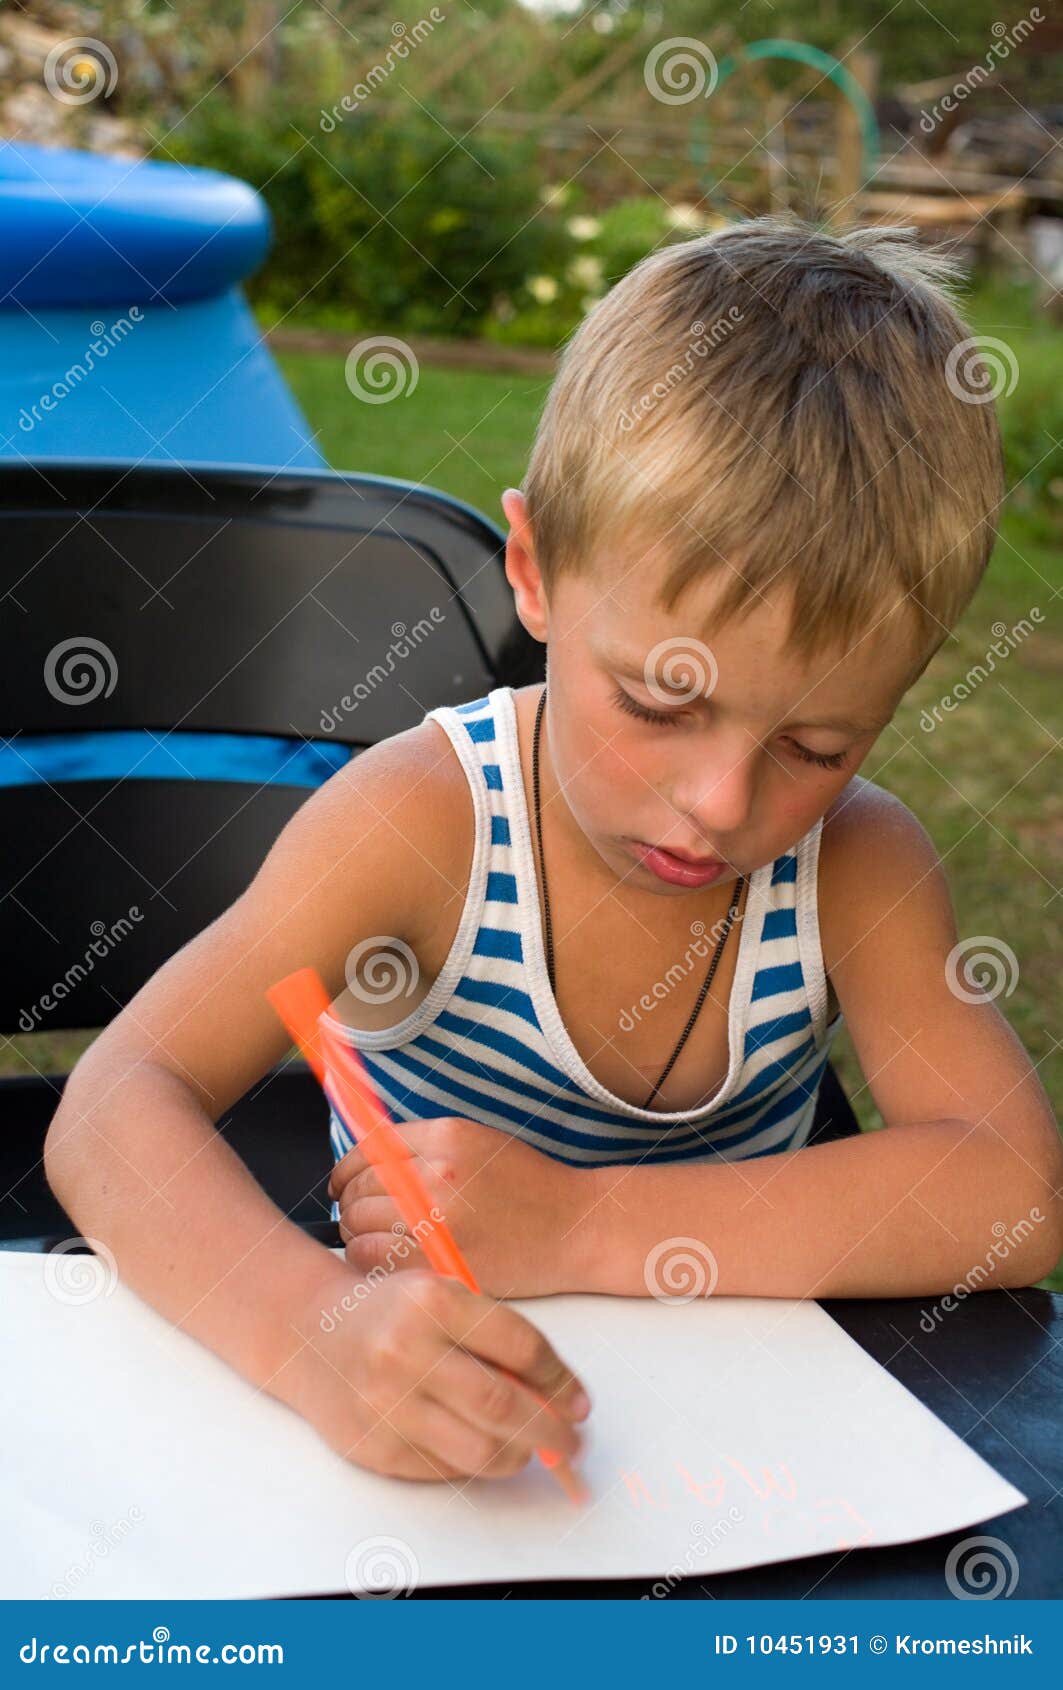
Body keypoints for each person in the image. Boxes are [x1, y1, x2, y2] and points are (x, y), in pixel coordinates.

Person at [45, 214, 1063, 1485]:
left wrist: (582, 1225)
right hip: (430, 1439)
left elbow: (1006, 1191)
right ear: (533, 569)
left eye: (816, 745)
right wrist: (309, 1334)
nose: (716, 803)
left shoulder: (858, 866)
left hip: (741, 1474)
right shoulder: (420, 825)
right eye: (658, 704)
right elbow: (116, 1100)